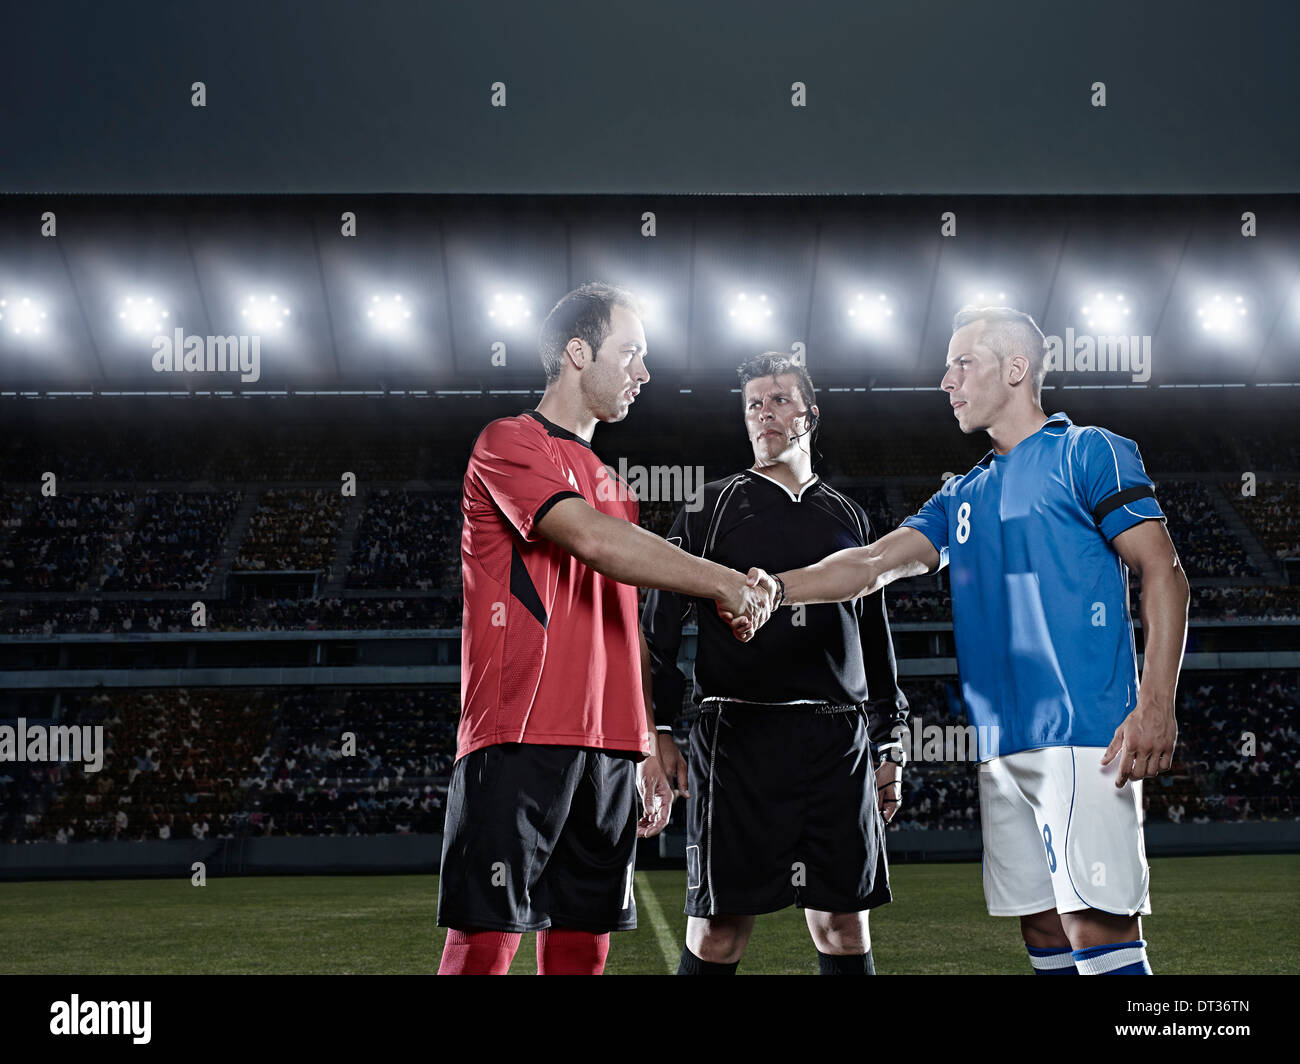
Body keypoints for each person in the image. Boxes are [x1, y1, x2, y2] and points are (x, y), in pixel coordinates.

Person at [773, 306, 1189, 976]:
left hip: (1083, 733)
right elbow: (872, 562)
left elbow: (1163, 569)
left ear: (1016, 368)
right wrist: (769, 587)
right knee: (1046, 930)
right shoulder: (961, 492)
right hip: (999, 745)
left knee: (1097, 925)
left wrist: (1157, 703)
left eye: (963, 362)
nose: (946, 380)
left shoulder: (1087, 450)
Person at [437, 282, 778, 975]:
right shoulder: (509, 442)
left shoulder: (615, 488)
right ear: (576, 352)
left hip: (607, 750)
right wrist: (723, 582)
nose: (644, 374)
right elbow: (589, 541)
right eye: (632, 354)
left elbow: (625, 630)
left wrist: (645, 741)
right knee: (485, 938)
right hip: (520, 734)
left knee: (584, 944)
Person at [643, 353, 909, 976]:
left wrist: (888, 741)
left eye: (780, 399)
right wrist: (656, 730)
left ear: (810, 415)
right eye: (754, 405)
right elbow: (656, 629)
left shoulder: (850, 518)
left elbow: (875, 640)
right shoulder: (709, 509)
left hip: (837, 738)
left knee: (844, 927)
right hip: (737, 735)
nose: (765, 413)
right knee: (717, 933)